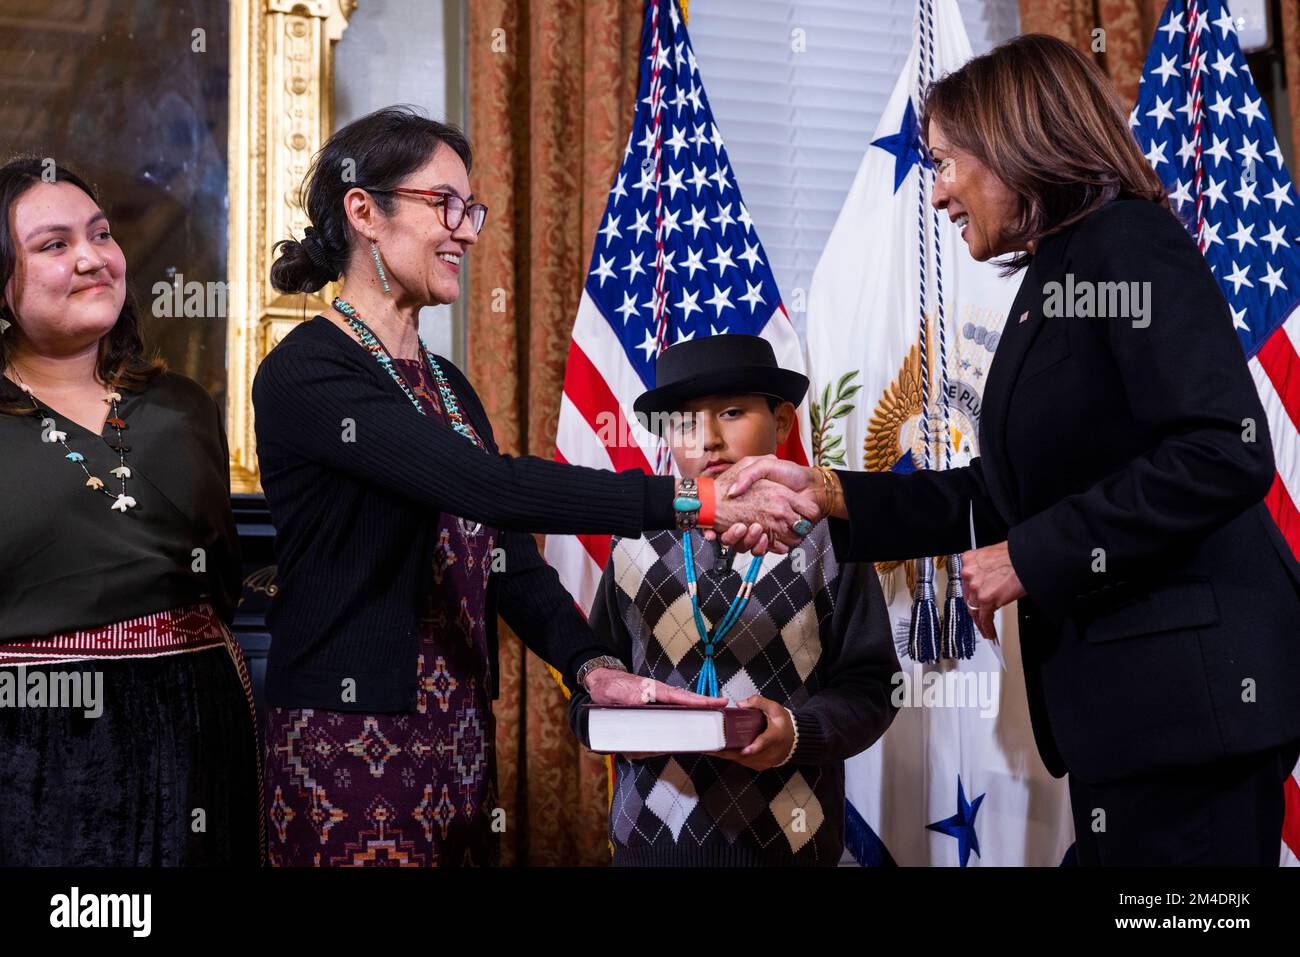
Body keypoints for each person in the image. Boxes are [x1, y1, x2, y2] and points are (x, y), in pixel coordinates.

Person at [725, 34, 1300, 867]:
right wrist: (823, 491)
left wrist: (1028, 557)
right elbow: (1007, 490)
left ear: (1016, 144)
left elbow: (1224, 449)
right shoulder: (1058, 273)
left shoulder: (1127, 245)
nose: (939, 194)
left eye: (948, 163)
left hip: (1193, 705)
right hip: (1142, 716)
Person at [252, 107, 818, 866]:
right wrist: (700, 504)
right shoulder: (306, 370)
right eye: (442, 204)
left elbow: (509, 561)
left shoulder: (448, 387)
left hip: (456, 737)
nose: (465, 229)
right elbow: (485, 485)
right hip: (346, 740)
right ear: (365, 211)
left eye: (471, 209)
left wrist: (594, 666)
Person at [0, 157, 260, 865]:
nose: (92, 258)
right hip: (31, 762)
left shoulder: (184, 406)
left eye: (101, 234)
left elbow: (224, 583)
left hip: (196, 739)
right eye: (54, 245)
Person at [568, 334, 899, 866]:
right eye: (683, 422)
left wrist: (797, 733)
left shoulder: (829, 541)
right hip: (650, 849)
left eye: (731, 412)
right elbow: (593, 677)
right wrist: (601, 725)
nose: (709, 440)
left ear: (784, 422)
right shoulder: (632, 541)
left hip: (791, 848)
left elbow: (873, 687)